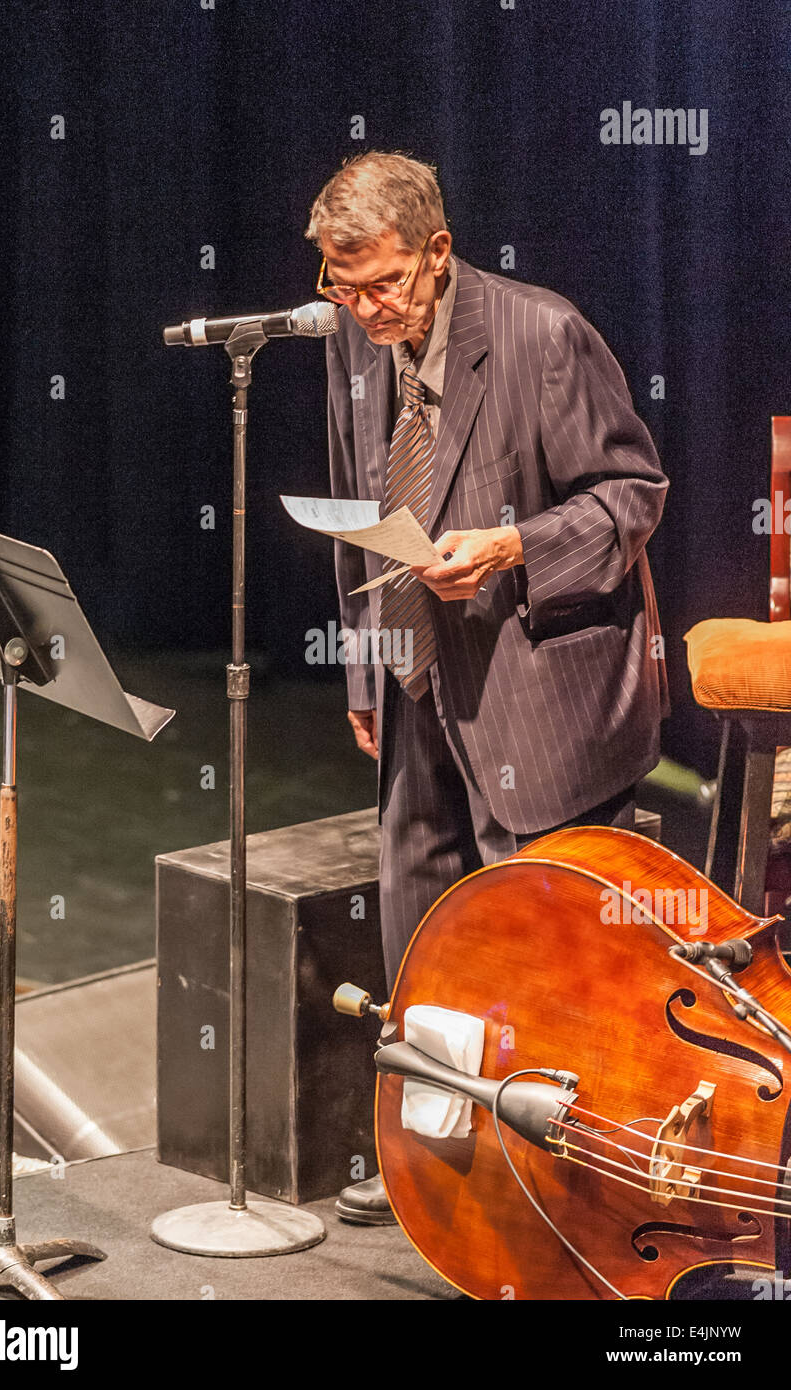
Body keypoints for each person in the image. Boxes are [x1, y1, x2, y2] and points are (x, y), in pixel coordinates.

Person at [305, 152, 669, 1224]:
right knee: (422, 922)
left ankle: (554, 1189)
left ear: (438, 251)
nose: (364, 309)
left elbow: (632, 496)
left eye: (380, 284)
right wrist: (365, 661)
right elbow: (352, 497)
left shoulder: (540, 335)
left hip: (539, 683)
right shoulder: (348, 339)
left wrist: (512, 544)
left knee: (533, 944)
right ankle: (433, 1156)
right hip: (418, 667)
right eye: (340, 284)